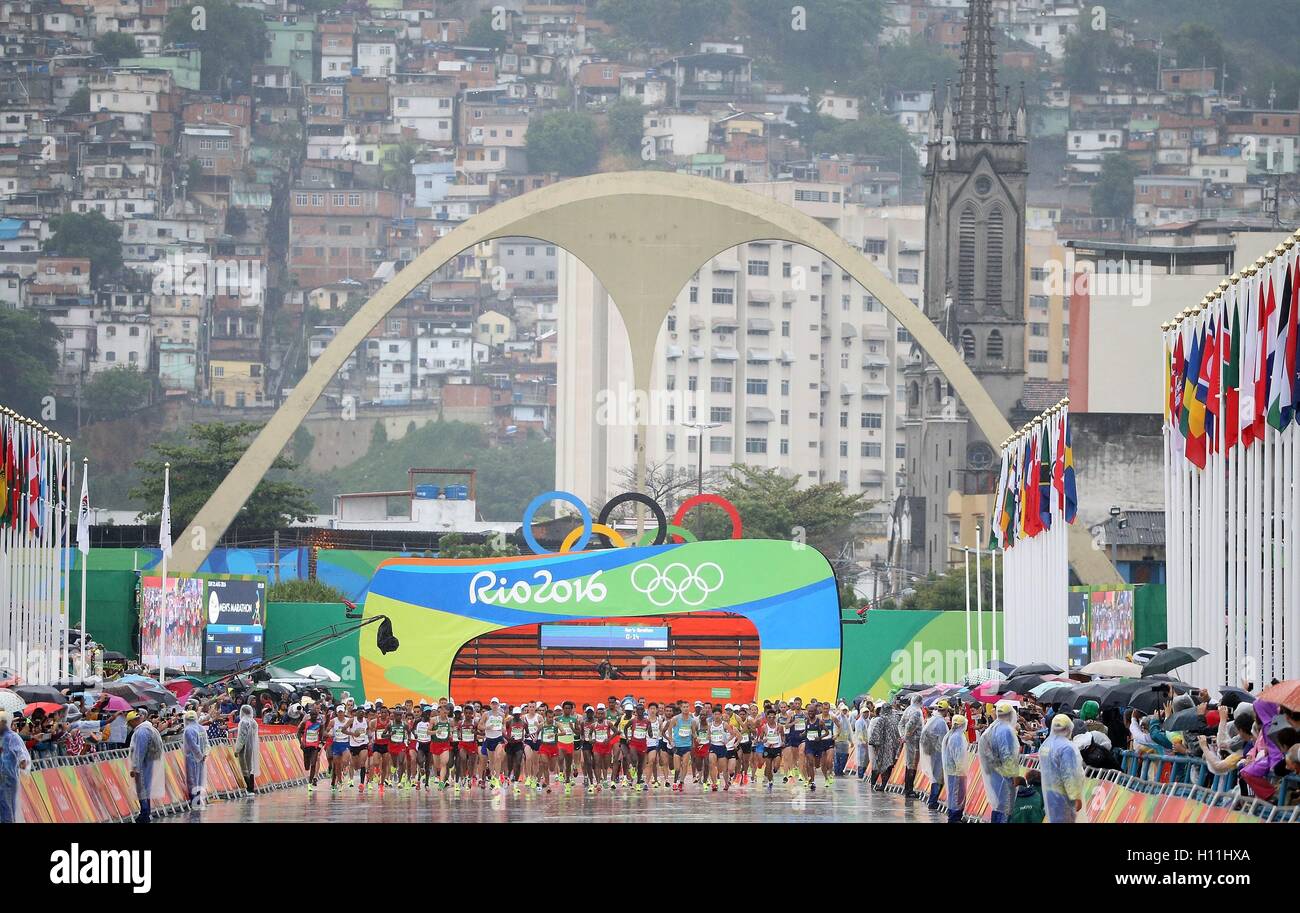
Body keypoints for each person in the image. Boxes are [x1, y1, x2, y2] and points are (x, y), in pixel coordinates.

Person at [977, 701, 1021, 823]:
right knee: (1005, 806)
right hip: (1004, 775)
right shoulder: (1005, 730)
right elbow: (1006, 755)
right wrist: (1012, 775)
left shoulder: (992, 728)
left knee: (997, 805)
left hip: (994, 773)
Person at [1039, 713, 1085, 822]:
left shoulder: (1046, 745)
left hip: (1049, 792)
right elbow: (1069, 774)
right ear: (1069, 728)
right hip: (1063, 794)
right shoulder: (1066, 747)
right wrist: (1075, 796)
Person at [127, 711, 164, 824]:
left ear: (134, 721)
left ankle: (144, 813)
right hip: (150, 762)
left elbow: (139, 751)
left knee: (142, 789)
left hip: (144, 764)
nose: (129, 725)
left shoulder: (141, 732)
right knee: (146, 789)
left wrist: (135, 768)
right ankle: (146, 812)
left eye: (129, 723)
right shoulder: (150, 728)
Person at [0, 710, 31, 824]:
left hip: (7, 778)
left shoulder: (12, 737)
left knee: (7, 807)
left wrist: (22, 761)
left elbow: (20, 751)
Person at [919, 701, 949, 810]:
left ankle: (933, 800)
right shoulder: (940, 722)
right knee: (937, 778)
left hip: (932, 752)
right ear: (946, 710)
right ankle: (933, 801)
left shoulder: (933, 719)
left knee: (936, 778)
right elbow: (943, 740)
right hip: (938, 753)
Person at [941, 713, 970, 823]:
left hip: (952, 770)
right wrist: (961, 770)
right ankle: (954, 817)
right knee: (957, 794)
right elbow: (958, 755)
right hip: (957, 771)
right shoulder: (957, 737)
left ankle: (955, 815)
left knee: (954, 793)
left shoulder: (952, 735)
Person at [867, 700, 900, 791]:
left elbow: (876, 734)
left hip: (883, 748)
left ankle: (876, 784)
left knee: (880, 765)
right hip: (893, 747)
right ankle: (884, 784)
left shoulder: (882, 719)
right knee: (889, 766)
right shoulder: (895, 719)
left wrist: (874, 745)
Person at [898, 692, 924, 800]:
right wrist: (906, 736)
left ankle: (908, 789)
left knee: (909, 764)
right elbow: (909, 725)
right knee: (912, 765)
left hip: (909, 741)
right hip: (914, 742)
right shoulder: (917, 711)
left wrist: (903, 736)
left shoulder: (908, 709)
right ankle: (909, 790)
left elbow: (901, 724)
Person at [182, 709, 210, 809]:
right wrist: (205, 754)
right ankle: (197, 800)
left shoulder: (188, 730)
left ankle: (195, 801)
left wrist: (199, 756)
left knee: (192, 780)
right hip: (201, 758)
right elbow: (206, 743)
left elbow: (193, 746)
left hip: (192, 758)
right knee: (199, 779)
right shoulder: (201, 728)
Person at [233, 704, 261, 797]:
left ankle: (249, 788)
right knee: (250, 768)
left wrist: (237, 749)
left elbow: (242, 737)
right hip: (252, 747)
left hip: (244, 748)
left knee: (245, 768)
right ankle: (252, 788)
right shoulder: (253, 721)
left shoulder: (243, 722)